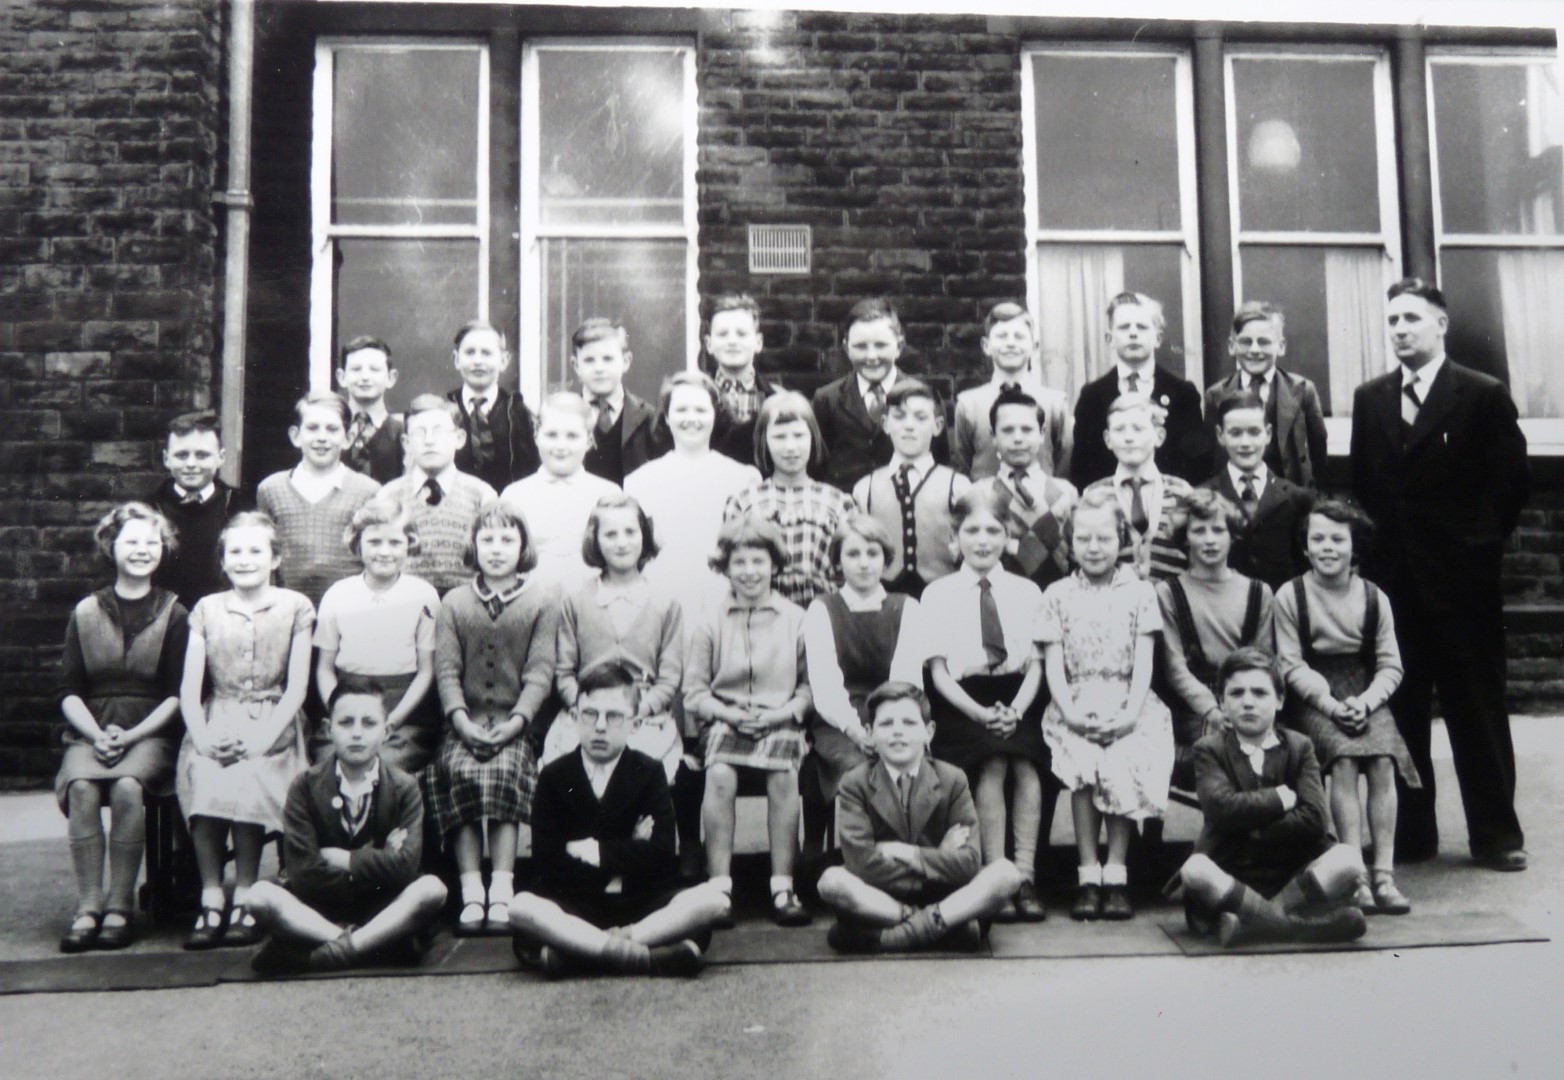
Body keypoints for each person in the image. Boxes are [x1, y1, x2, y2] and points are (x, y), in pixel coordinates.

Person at [1351, 278, 1530, 871]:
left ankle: (1496, 836)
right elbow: (1365, 490)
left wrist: (1472, 551)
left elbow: (1508, 490)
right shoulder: (1371, 398)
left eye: (1412, 319)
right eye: (1393, 320)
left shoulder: (1481, 395)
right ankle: (1412, 835)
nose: (1400, 330)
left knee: (1475, 712)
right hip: (1395, 589)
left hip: (1461, 591)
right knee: (1401, 715)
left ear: (1441, 325)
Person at [509, 662, 731, 978]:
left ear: (634, 724)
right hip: (575, 905)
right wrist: (630, 846)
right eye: (590, 714)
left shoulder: (649, 771)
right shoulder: (554, 776)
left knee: (713, 900)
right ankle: (644, 958)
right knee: (522, 909)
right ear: (573, 718)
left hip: (638, 905)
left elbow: (663, 854)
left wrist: (591, 850)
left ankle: (583, 954)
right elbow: (548, 861)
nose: (600, 726)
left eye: (614, 716)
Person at [54, 503, 189, 953]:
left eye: (152, 542)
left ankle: (120, 904)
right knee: (82, 789)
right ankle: (88, 904)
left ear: (163, 549)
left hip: (150, 730)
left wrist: (131, 737)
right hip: (91, 727)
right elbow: (70, 689)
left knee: (130, 786)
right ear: (111, 547)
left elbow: (175, 694)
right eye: (131, 541)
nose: (141, 550)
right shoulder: (86, 611)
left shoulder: (174, 612)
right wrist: (95, 735)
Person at [175, 512, 313, 950]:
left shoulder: (296, 606)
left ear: (275, 558)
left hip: (274, 722)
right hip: (218, 717)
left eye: (256, 551)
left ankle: (248, 894)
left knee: (251, 777)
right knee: (209, 775)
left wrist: (262, 740)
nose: (245, 559)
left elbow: (296, 688)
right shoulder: (207, 610)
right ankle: (211, 893)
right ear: (223, 560)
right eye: (235, 551)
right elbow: (189, 688)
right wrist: (202, 738)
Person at [246, 679, 448, 974]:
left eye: (368, 723)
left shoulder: (404, 787)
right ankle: (362, 944)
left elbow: (405, 867)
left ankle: (326, 952)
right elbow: (304, 874)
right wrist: (379, 857)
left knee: (432, 889)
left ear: (387, 731)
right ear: (329, 730)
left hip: (382, 904)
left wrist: (345, 859)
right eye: (346, 723)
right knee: (259, 896)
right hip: (320, 908)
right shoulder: (304, 786)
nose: (357, 733)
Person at [1037, 488, 1173, 922]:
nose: (1093, 548)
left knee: (1120, 757)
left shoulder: (1140, 593)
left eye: (1104, 539)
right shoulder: (1056, 594)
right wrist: (1072, 715)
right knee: (1083, 764)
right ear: (1070, 543)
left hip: (1128, 699)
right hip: (1074, 700)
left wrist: (1130, 714)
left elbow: (1145, 663)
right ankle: (1087, 874)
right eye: (1083, 539)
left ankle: (1116, 873)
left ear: (1121, 540)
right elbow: (1054, 666)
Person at [1275, 501, 1417, 913]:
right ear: (1305, 546)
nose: (1327, 548)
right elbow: (1289, 664)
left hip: (1363, 692)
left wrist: (1367, 701)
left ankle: (1384, 874)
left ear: (1355, 547)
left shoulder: (1375, 597)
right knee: (1343, 761)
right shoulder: (1291, 595)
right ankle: (1353, 874)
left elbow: (1391, 666)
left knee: (1383, 760)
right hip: (1314, 695)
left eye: (1338, 539)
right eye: (1317, 539)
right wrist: (1329, 705)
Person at [1178, 648, 1368, 948]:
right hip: (1233, 871)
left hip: (1293, 872)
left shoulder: (1300, 746)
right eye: (1237, 693)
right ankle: (1299, 925)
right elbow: (1221, 809)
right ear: (1223, 703)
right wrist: (1279, 799)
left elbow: (1315, 819)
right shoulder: (1209, 749)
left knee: (1349, 860)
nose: (1248, 702)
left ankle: (1258, 922)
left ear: (1279, 700)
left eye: (1260, 693)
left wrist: (1250, 827)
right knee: (1194, 870)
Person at [920, 485, 1050, 922]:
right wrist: (979, 714)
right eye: (971, 530)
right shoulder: (937, 594)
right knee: (994, 761)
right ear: (955, 538)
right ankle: (997, 875)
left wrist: (1016, 708)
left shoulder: (1028, 592)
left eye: (993, 530)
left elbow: (1037, 664)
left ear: (1008, 535)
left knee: (1028, 765)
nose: (982, 540)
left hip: (1017, 695)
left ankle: (1026, 875)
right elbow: (938, 672)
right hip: (962, 701)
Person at [819, 681, 1023, 954]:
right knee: (832, 881)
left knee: (1006, 874)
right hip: (882, 899)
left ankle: (891, 937)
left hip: (945, 894)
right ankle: (939, 925)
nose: (898, 732)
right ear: (869, 733)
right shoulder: (855, 783)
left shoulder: (952, 779)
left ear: (929, 732)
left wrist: (908, 853)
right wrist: (939, 855)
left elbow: (970, 862)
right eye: (886, 724)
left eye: (909, 723)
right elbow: (860, 863)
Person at [429, 500, 555, 936]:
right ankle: (470, 890)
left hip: (514, 724)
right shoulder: (455, 602)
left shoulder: (541, 601)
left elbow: (540, 673)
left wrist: (517, 722)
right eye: (488, 539)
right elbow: (446, 670)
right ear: (474, 545)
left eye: (507, 539)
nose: (497, 549)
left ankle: (502, 886)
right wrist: (460, 721)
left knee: (504, 772)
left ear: (523, 547)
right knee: (460, 772)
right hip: (464, 722)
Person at [684, 512, 814, 926]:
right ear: (724, 567)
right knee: (719, 772)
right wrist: (729, 713)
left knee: (783, 774)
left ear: (775, 564)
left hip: (781, 721)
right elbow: (695, 693)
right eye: (738, 562)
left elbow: (810, 690)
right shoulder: (710, 621)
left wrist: (781, 713)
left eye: (759, 561)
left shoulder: (797, 618)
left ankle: (782, 886)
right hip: (725, 721)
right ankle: (720, 887)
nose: (749, 571)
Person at [547, 494, 685, 788]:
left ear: (644, 537)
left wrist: (639, 710)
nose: (621, 542)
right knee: (575, 772)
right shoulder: (576, 600)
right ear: (595, 541)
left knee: (639, 773)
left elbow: (670, 677)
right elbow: (564, 673)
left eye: (630, 532)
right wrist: (586, 708)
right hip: (586, 713)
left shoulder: (665, 602)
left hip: (643, 716)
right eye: (610, 534)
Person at [802, 515, 926, 840]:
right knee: (856, 772)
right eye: (853, 554)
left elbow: (906, 680)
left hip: (895, 715)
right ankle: (855, 861)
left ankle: (905, 861)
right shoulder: (822, 609)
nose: (864, 564)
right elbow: (826, 686)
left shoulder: (906, 608)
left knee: (909, 768)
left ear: (885, 558)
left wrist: (887, 729)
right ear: (838, 561)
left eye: (872, 553)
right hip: (839, 722)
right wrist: (857, 733)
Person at [1156, 489, 1274, 790]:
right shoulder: (1169, 593)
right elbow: (1174, 667)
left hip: (1245, 699)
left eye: (1218, 530)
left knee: (1270, 755)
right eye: (1199, 531)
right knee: (1217, 751)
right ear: (1185, 537)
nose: (1209, 540)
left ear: (1232, 536)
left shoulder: (1258, 592)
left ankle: (1250, 830)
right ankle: (1223, 831)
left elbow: (1262, 662)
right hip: (1192, 708)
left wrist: (1236, 707)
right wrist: (1211, 709)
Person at [312, 499, 439, 771]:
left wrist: (391, 721)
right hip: (347, 702)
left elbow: (426, 672)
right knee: (332, 765)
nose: (384, 552)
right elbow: (324, 669)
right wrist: (340, 713)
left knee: (386, 766)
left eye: (395, 543)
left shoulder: (423, 595)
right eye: (374, 542)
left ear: (409, 544)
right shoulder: (338, 594)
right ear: (358, 545)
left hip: (403, 711)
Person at [625, 370, 762, 622]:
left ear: (715, 415)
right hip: (660, 604)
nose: (691, 419)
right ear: (666, 417)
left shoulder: (742, 479)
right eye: (681, 410)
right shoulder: (640, 482)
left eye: (700, 410)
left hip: (724, 604)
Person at [722, 391, 856, 608]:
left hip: (823, 615)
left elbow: (849, 572)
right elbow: (730, 571)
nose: (790, 447)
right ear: (764, 441)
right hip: (760, 616)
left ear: (813, 438)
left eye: (799, 435)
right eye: (780, 437)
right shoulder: (744, 502)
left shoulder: (838, 502)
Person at [1070, 291, 1211, 488]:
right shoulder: (1092, 396)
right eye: (1124, 327)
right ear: (1109, 339)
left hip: (1170, 506)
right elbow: (1082, 467)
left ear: (1158, 338)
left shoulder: (1183, 394)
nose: (1133, 333)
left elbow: (1198, 465)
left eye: (1142, 327)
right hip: (1109, 506)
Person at [256, 392, 382, 609]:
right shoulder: (271, 489)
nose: (322, 437)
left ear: (348, 438)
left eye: (332, 429)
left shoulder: (368, 492)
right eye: (312, 428)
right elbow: (265, 554)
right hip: (287, 610)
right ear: (296, 436)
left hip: (348, 610)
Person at [852, 378, 970, 599]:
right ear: (886, 424)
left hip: (945, 597)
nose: (909, 425)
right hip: (884, 599)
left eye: (920, 417)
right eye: (899, 416)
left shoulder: (957, 485)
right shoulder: (865, 488)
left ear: (937, 426)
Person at [379, 394, 499, 594]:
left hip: (465, 606)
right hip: (405, 604)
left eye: (439, 431)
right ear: (406, 443)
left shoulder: (482, 494)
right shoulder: (389, 496)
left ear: (459, 438)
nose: (429, 441)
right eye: (419, 433)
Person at [500, 391, 621, 589]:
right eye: (551, 435)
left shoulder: (607, 493)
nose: (561, 445)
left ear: (589, 441)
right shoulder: (515, 495)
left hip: (591, 605)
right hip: (532, 605)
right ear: (536, 436)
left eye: (572, 436)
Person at [1202, 302, 1327, 489]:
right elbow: (1212, 457)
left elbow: (1318, 451)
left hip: (1290, 498)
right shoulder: (1216, 395)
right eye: (1246, 342)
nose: (1254, 350)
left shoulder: (1302, 391)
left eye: (1264, 342)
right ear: (1232, 346)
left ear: (1281, 346)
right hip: (1235, 499)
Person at [1203, 389, 1313, 590]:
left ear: (1268, 434)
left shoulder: (1296, 498)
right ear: (1220, 435)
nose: (1245, 443)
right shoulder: (1205, 495)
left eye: (1254, 432)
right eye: (1235, 433)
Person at [952, 300, 1072, 482]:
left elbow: (1063, 467)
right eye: (1001, 336)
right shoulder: (969, 405)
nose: (1010, 343)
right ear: (986, 346)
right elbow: (962, 466)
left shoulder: (1054, 403)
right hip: (986, 506)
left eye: (1019, 336)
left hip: (1042, 506)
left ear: (1034, 346)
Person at [1082, 394, 1192, 582]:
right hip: (1114, 604)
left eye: (1138, 429)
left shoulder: (1182, 492)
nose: (1129, 438)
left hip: (1172, 604)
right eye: (1119, 429)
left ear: (1159, 436)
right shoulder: (1094, 494)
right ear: (1108, 439)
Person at [147, 410, 247, 613]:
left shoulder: (240, 508)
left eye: (202, 455)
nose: (191, 464)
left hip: (223, 620)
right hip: (165, 623)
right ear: (166, 459)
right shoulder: (149, 511)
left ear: (221, 458)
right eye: (182, 455)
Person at [980, 383, 1077, 592]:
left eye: (1027, 429)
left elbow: (1076, 554)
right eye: (1007, 430)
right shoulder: (980, 493)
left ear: (1042, 433)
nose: (1017, 438)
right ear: (993, 436)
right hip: (1002, 599)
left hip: (1056, 596)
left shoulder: (1065, 493)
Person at [812, 298, 908, 492]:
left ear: (898, 346)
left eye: (880, 345)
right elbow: (816, 465)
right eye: (861, 347)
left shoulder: (921, 396)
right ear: (847, 348)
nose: (871, 356)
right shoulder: (827, 399)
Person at [445, 320, 540, 492]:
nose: (478, 361)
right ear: (456, 359)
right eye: (470, 353)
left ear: (504, 360)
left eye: (487, 353)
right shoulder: (444, 412)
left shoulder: (520, 414)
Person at [572, 317, 664, 487]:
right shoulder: (565, 416)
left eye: (608, 359)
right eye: (589, 360)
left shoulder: (648, 418)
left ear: (626, 361)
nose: (599, 368)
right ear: (576, 365)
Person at [703, 293, 784, 469]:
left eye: (741, 334)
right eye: (723, 334)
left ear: (758, 342)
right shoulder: (695, 398)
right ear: (709, 344)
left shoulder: (778, 399)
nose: (732, 341)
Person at [337, 335, 407, 484]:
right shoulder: (331, 430)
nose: (365, 377)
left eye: (374, 370)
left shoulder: (404, 432)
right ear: (341, 377)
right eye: (356, 369)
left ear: (391, 378)